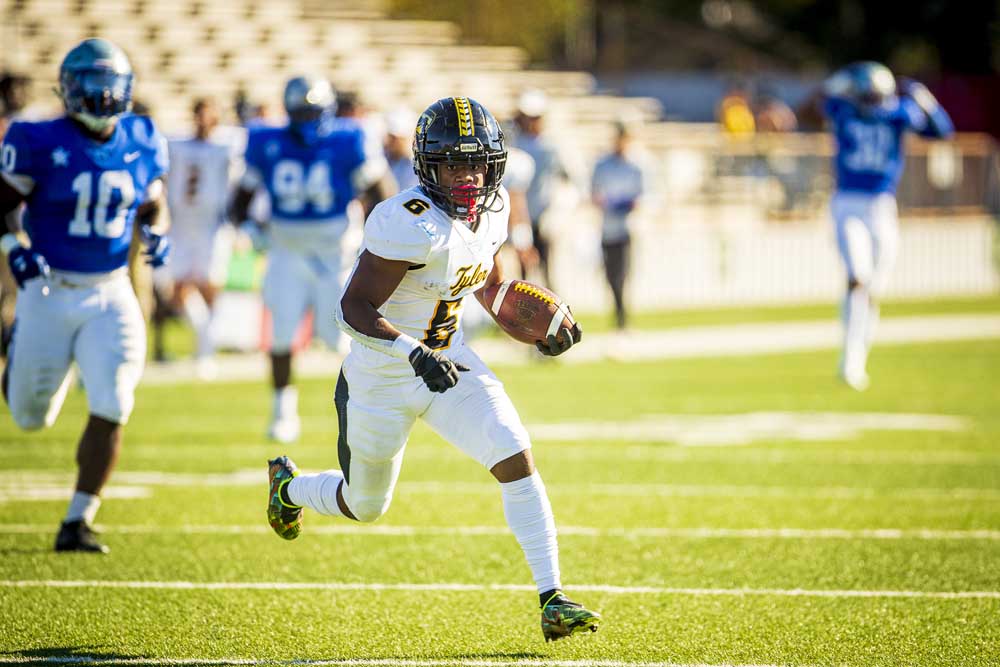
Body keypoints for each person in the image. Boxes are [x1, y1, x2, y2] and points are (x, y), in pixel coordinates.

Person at [265, 96, 599, 642]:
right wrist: (413, 353)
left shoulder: (493, 210)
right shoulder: (407, 222)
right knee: (365, 504)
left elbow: (489, 286)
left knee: (514, 450)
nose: (468, 177)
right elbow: (351, 309)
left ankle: (552, 597)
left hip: (451, 359)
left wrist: (540, 324)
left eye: (476, 164)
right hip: (382, 374)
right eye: (453, 165)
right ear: (428, 167)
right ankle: (291, 489)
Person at [0, 38, 170, 552]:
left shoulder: (142, 136)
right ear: (69, 88)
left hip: (111, 291)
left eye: (110, 84)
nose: (102, 95)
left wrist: (159, 229)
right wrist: (13, 246)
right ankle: (24, 358)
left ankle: (78, 519)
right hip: (49, 288)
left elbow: (153, 201)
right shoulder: (36, 137)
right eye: (92, 84)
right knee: (30, 416)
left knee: (114, 401)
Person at [229, 76, 394, 443]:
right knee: (281, 335)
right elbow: (239, 200)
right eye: (300, 113)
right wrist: (250, 228)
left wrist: (376, 235)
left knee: (345, 336)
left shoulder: (349, 139)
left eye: (312, 113)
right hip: (286, 251)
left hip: (334, 253)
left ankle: (366, 406)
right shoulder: (267, 141)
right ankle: (282, 412)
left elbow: (382, 194)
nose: (306, 120)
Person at [821, 61, 953, 390]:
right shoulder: (843, 109)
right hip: (848, 203)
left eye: (874, 95)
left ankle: (859, 356)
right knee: (858, 278)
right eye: (865, 94)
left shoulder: (898, 114)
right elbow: (809, 109)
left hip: (881, 207)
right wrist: (834, 84)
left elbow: (942, 132)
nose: (870, 101)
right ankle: (850, 360)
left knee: (873, 289)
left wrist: (925, 100)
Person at [163, 97, 244, 379]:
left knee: (210, 285)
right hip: (181, 224)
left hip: (213, 225)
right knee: (178, 288)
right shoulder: (176, 144)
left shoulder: (227, 145)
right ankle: (203, 339)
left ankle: (205, 351)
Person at [591, 121, 645, 331]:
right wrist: (606, 203)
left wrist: (627, 204)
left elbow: (644, 196)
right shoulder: (602, 165)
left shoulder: (637, 165)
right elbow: (594, 194)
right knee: (610, 275)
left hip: (627, 227)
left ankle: (622, 318)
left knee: (622, 273)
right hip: (607, 228)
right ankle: (619, 315)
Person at [512, 89, 570, 286]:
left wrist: (558, 209)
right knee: (523, 268)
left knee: (547, 266)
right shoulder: (515, 143)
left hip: (543, 214)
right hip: (521, 215)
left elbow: (568, 176)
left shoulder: (551, 146)